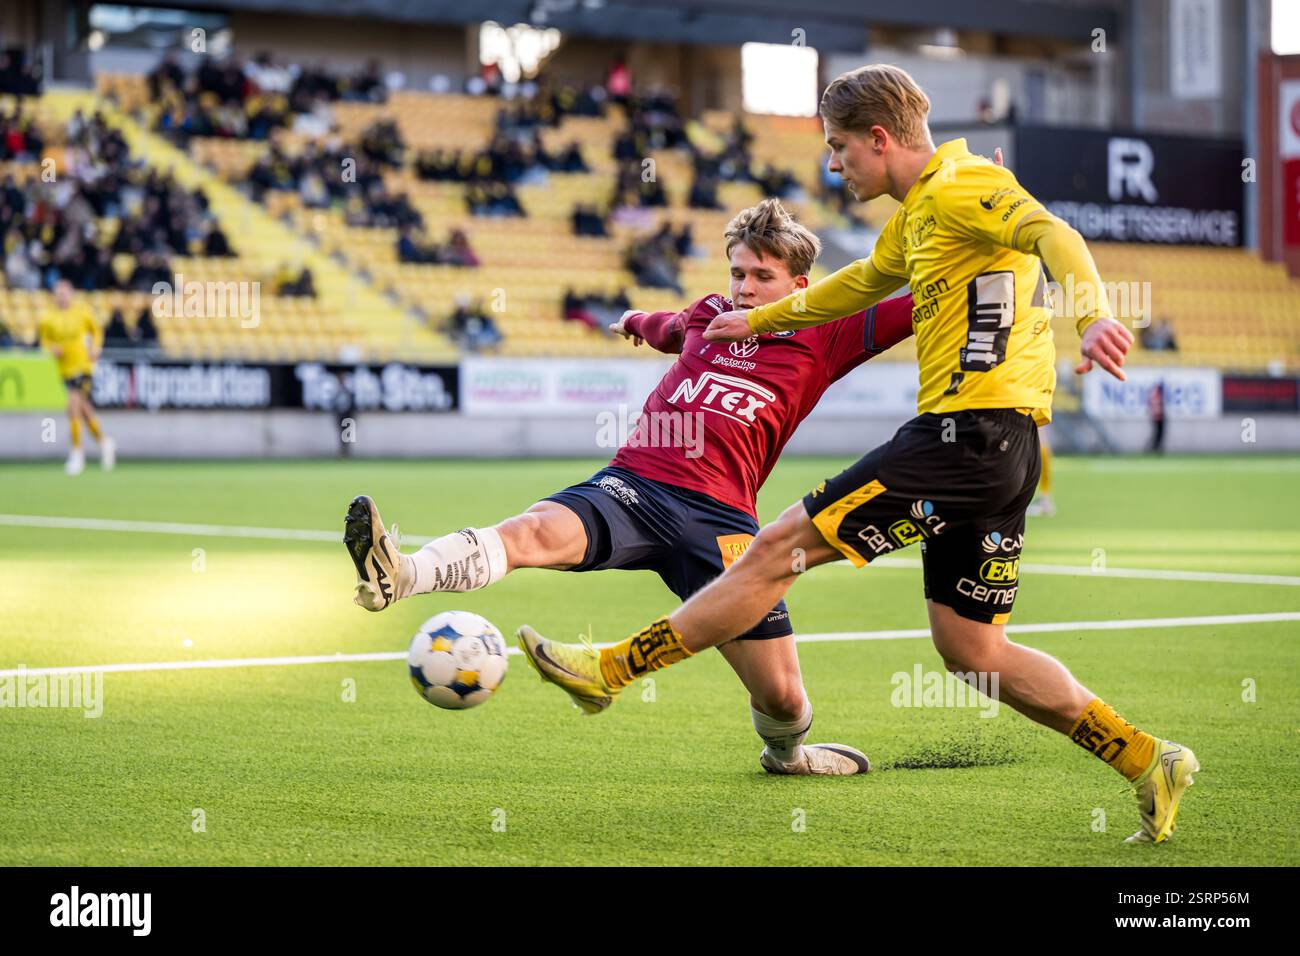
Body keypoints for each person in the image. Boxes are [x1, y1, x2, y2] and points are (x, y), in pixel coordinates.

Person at [520, 64, 1197, 846]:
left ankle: (612, 671)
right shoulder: (917, 217)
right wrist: (765, 320)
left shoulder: (958, 185)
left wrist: (1093, 315)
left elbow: (1056, 234)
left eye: (840, 148)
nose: (833, 164)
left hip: (964, 436)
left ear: (881, 139)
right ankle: (1149, 757)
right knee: (973, 650)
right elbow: (862, 284)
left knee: (773, 548)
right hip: (1000, 449)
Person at [345, 199, 914, 775]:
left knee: (783, 697)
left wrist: (990, 240)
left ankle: (787, 755)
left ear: (799, 282)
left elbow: (921, 305)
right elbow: (670, 328)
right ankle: (403, 574)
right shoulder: (711, 312)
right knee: (534, 531)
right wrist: (634, 321)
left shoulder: (830, 332)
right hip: (635, 484)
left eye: (761, 277)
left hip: (722, 523)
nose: (744, 288)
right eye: (738, 273)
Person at [38, 279, 115, 474]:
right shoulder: (48, 318)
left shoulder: (82, 312)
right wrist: (51, 348)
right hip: (64, 369)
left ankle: (77, 454)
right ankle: (104, 442)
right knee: (84, 410)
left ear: (71, 294)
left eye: (65, 293)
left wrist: (97, 347)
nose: (62, 297)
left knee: (73, 406)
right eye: (58, 293)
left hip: (83, 367)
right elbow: (44, 341)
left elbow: (97, 330)